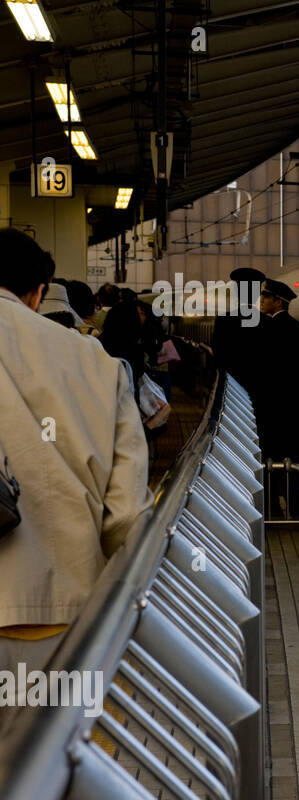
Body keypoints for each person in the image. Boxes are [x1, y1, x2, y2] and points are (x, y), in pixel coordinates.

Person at [0, 230, 151, 717]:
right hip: (68, 622)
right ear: (38, 293)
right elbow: (126, 518)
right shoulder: (98, 363)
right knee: (53, 778)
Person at [251, 278, 299, 462]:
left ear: (278, 302)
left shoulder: (267, 328)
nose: (262, 300)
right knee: (291, 452)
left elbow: (262, 368)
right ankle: (291, 487)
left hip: (271, 407)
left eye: (266, 297)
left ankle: (274, 489)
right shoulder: (298, 328)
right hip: (293, 405)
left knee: (271, 454)